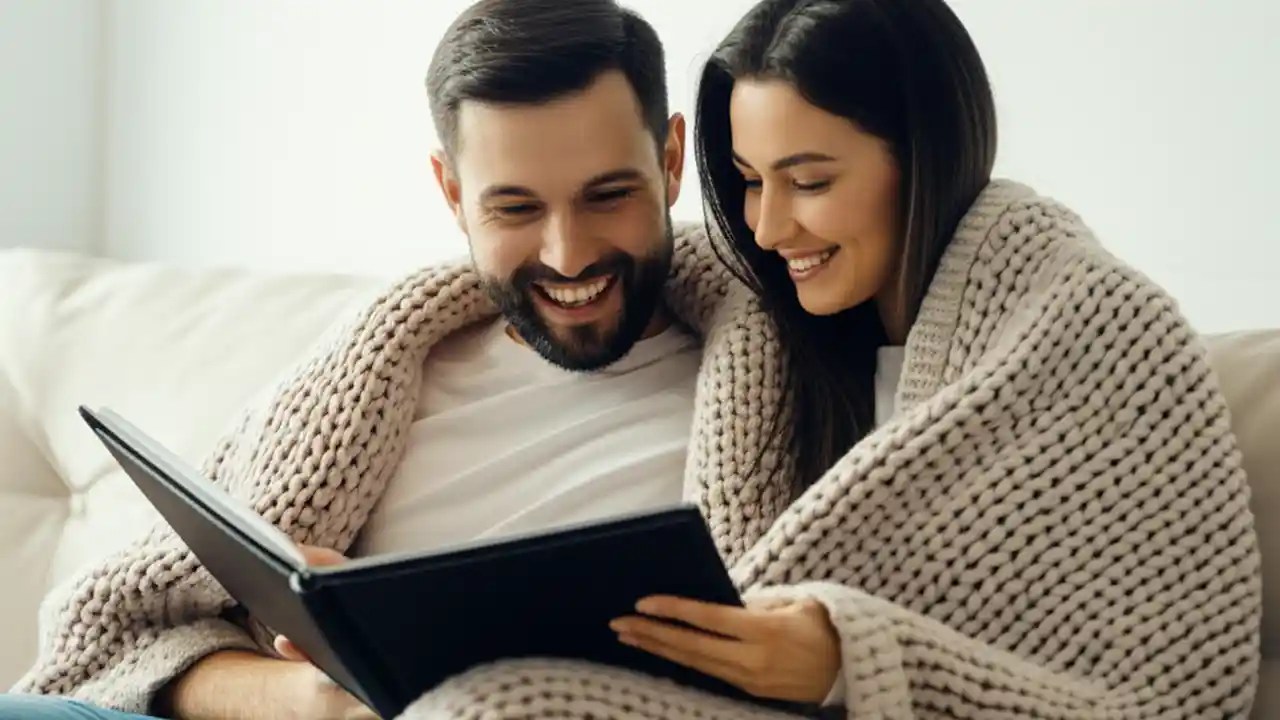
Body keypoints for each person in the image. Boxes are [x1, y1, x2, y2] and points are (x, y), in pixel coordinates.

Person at [5, 0, 1264, 719]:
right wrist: (316, 702)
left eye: (611, 195)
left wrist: (855, 656)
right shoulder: (374, 368)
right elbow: (106, 630)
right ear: (447, 192)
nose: (568, 254)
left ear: (670, 165)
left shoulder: (770, 352)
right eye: (512, 210)